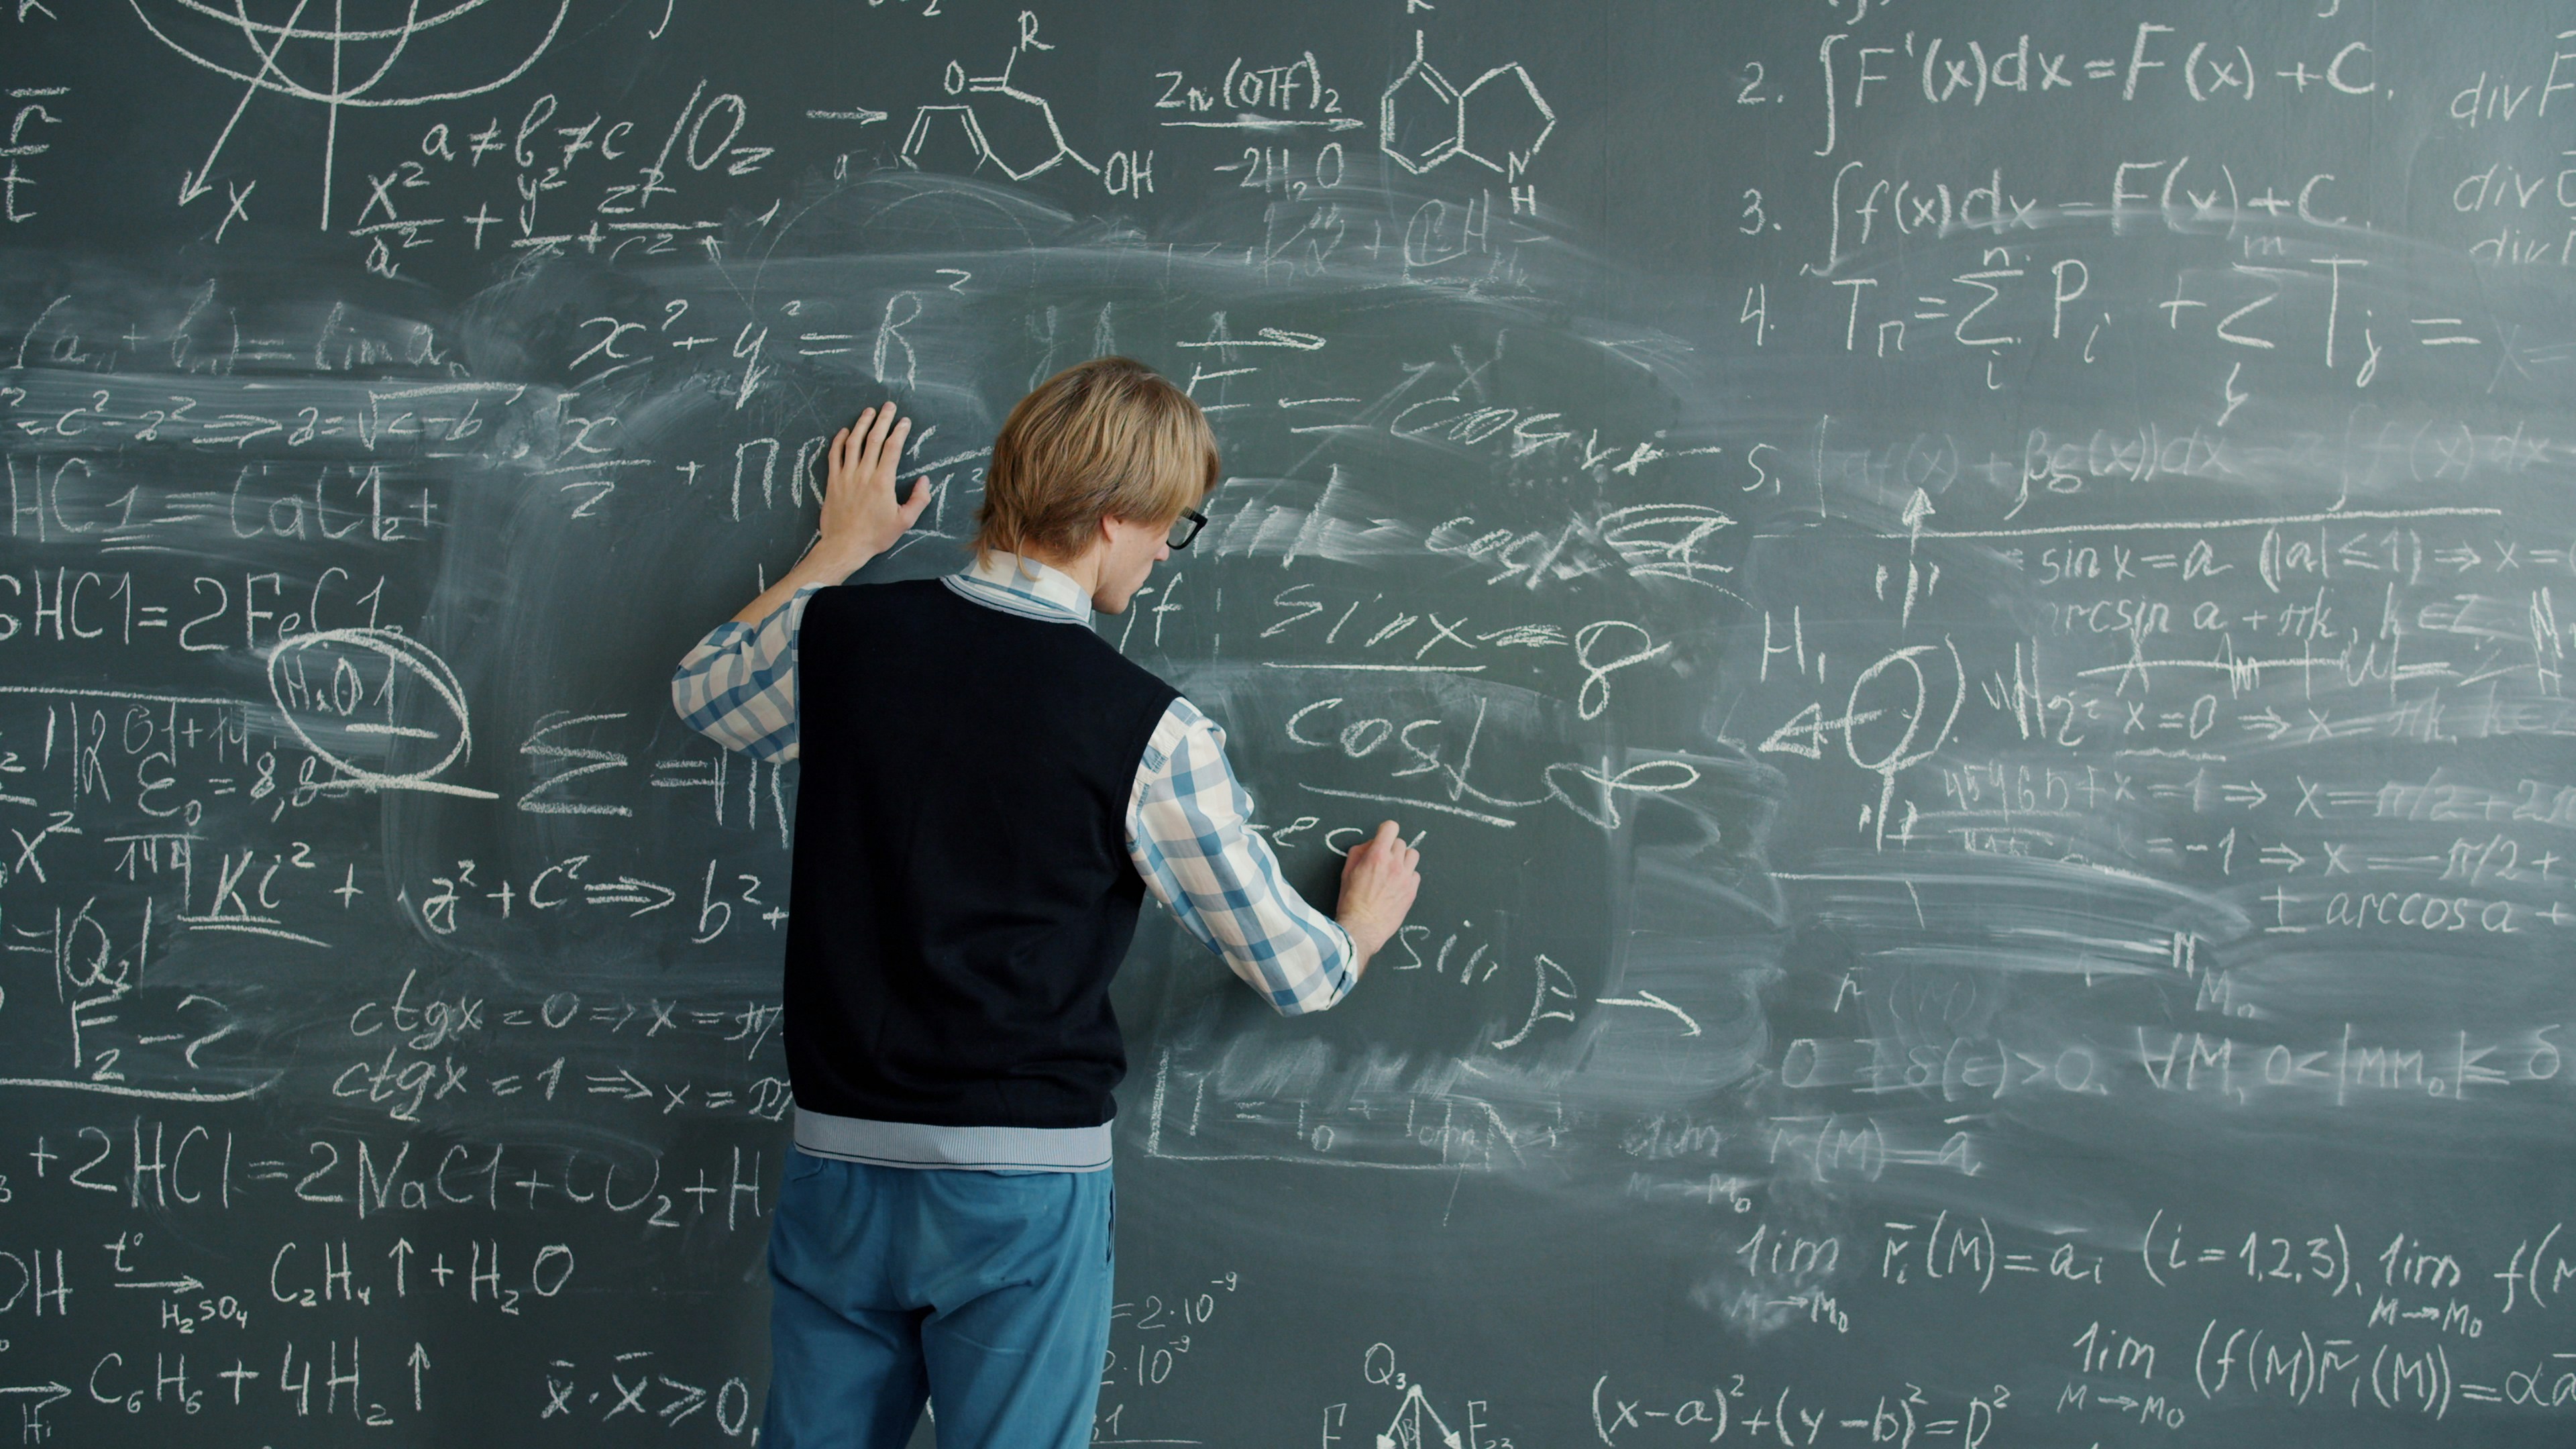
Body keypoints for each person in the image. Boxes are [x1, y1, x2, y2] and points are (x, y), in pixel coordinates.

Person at [669, 357, 1422, 1448]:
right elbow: (1296, 973)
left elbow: (707, 691)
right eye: (1173, 523)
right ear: (1114, 516)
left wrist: (842, 552)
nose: (1169, 549)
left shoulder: (845, 640)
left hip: (839, 1162)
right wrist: (1357, 928)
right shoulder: (1147, 732)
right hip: (1018, 1190)